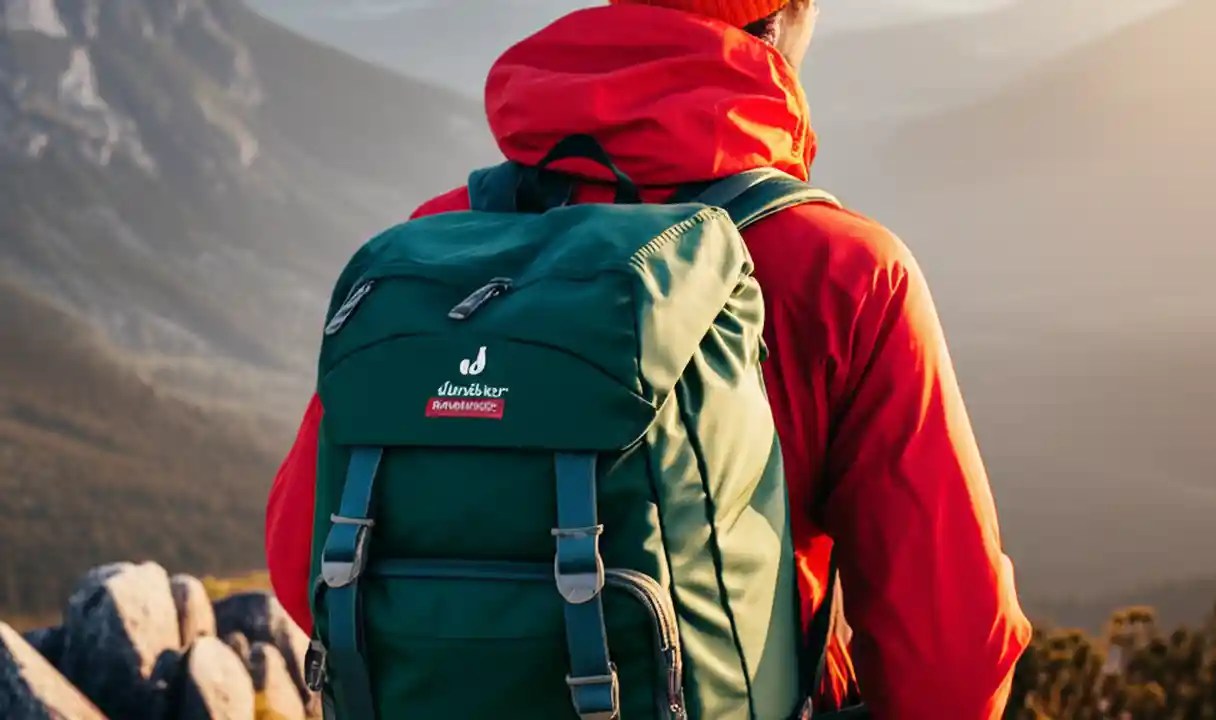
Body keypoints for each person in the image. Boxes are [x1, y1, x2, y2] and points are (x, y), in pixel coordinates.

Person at [265, 1, 1032, 717]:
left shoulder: (439, 242)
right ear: (784, 25)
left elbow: (306, 558)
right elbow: (951, 666)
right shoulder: (842, 271)